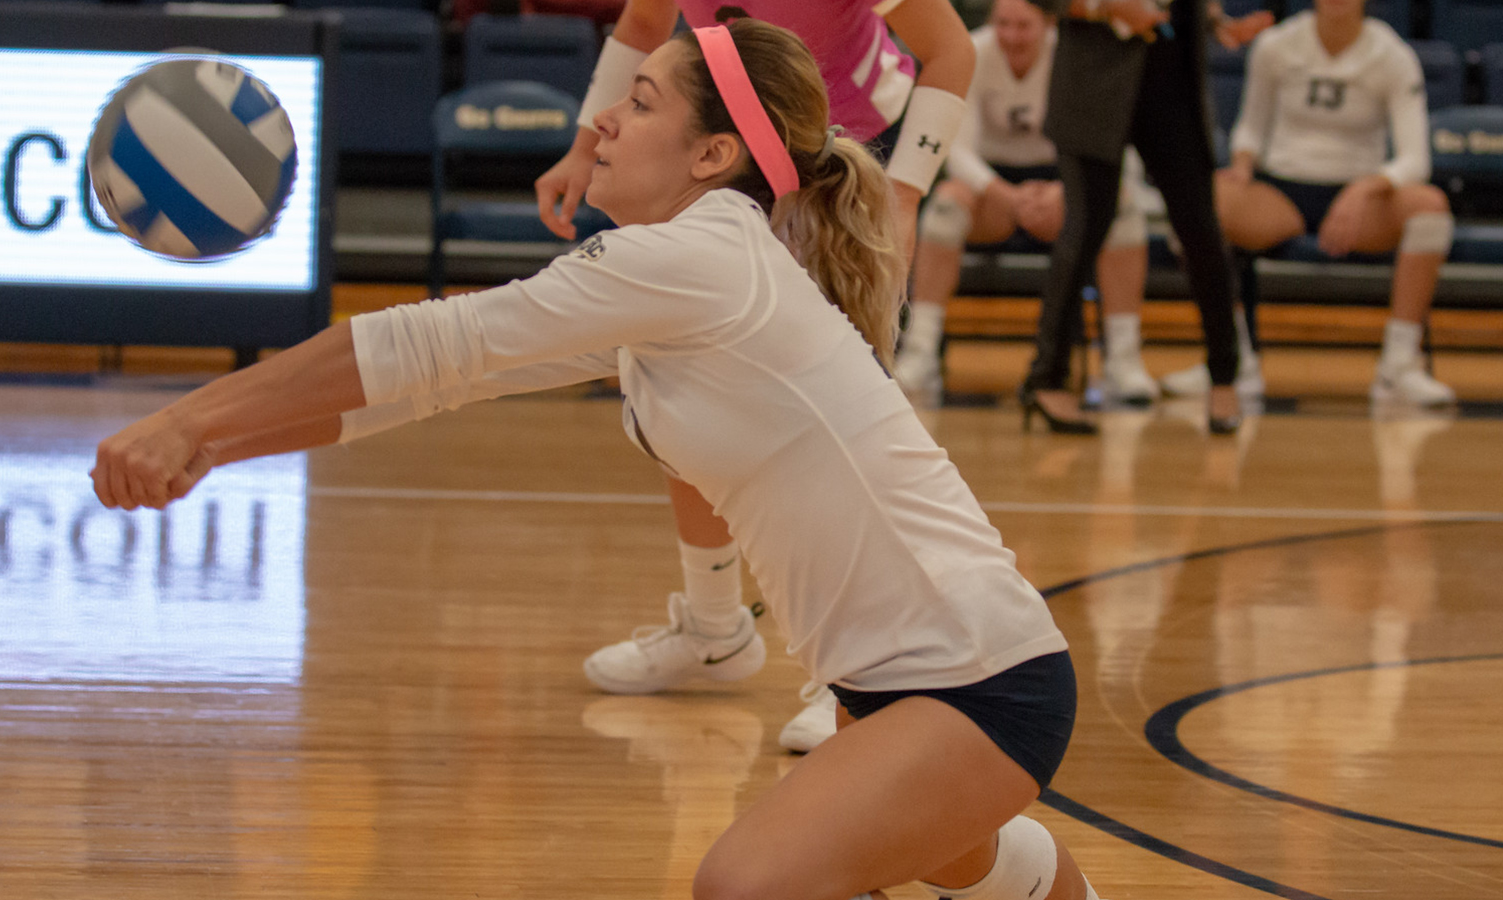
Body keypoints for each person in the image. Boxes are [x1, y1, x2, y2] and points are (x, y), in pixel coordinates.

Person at [92, 21, 1098, 900]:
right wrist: (214, 446)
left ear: (710, 154)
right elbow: (424, 383)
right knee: (963, 863)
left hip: (976, 678)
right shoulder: (682, 279)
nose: (604, 119)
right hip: (892, 683)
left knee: (747, 884)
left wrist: (191, 418)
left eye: (640, 101)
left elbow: (421, 343)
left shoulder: (701, 259)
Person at [533, 0, 977, 755]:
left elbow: (952, 53)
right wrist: (583, 145)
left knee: (819, 429)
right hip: (725, 159)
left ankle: (845, 677)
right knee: (681, 394)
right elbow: (642, 29)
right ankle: (713, 629)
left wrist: (901, 195)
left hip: (839, 162)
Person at [892, 0, 1161, 408]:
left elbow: (1112, 142)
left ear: (1047, 24)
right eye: (1004, 24)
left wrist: (1062, 193)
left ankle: (1124, 359)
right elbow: (956, 150)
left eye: (1024, 26)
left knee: (1123, 212)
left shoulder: (1070, 53)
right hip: (991, 187)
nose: (1012, 36)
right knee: (944, 209)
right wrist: (1009, 197)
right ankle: (921, 350)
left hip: (1061, 183)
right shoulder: (972, 50)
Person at [1195, 0, 1457, 407]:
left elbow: (1415, 159)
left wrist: (1365, 188)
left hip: (1361, 198)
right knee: (1195, 205)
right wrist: (1243, 166)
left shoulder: (1392, 55)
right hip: (1282, 191)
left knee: (1429, 209)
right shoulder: (1277, 45)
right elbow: (1250, 126)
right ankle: (1229, 358)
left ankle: (1398, 367)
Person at [1019, 0, 1263, 435]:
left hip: (1173, 86)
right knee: (1087, 226)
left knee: (1201, 230)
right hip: (1093, 88)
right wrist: (1104, 6)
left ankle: (1225, 377)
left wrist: (1212, 18)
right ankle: (1046, 380)